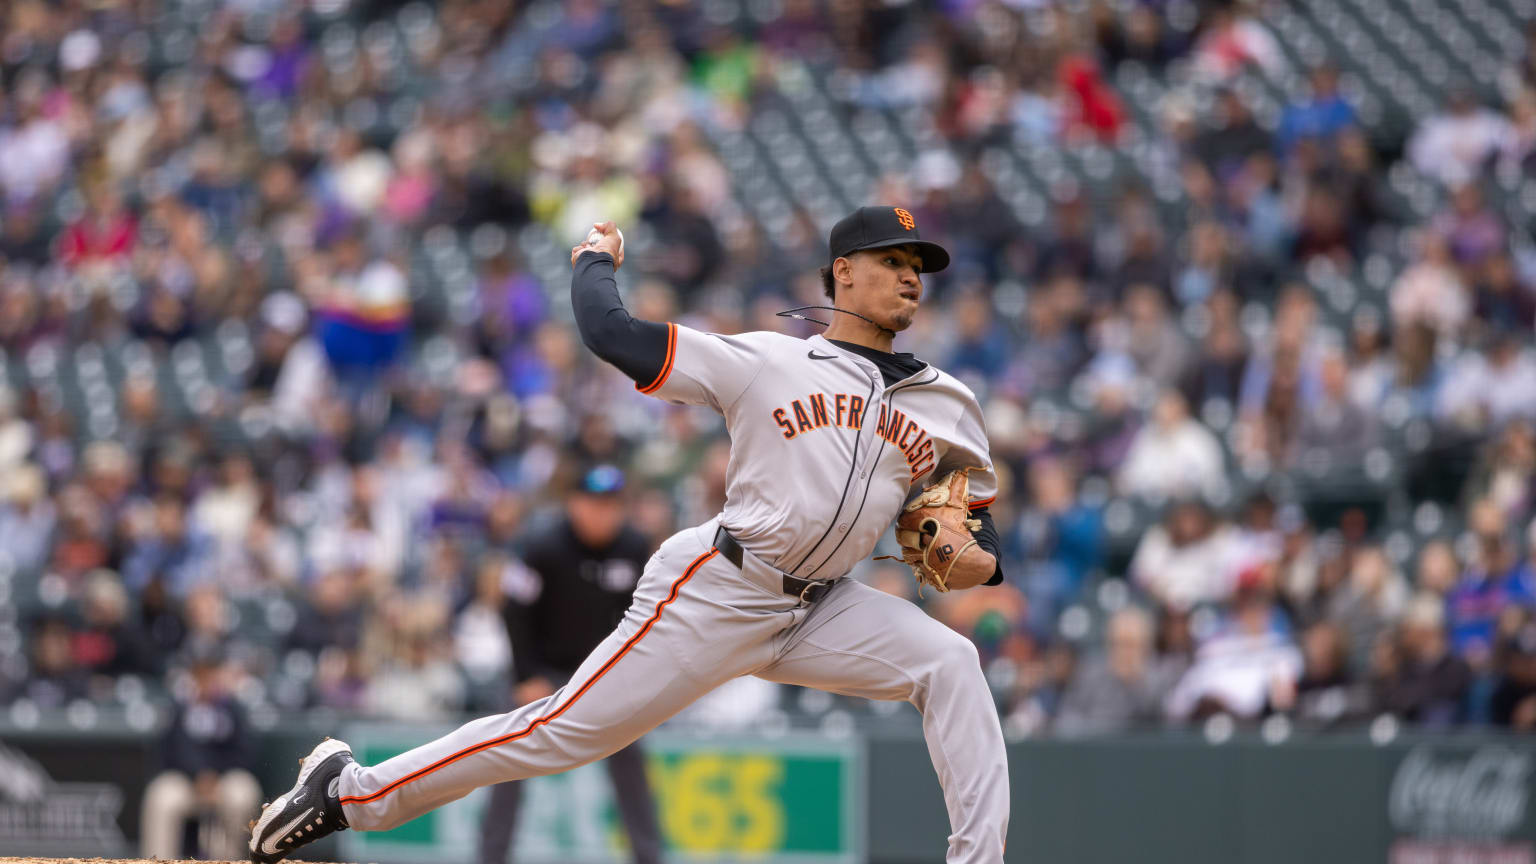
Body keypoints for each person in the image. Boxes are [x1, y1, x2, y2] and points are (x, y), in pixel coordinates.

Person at [251, 206, 1012, 864]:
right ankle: (350, 792)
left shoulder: (946, 402)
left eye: (919, 265)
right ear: (843, 271)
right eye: (893, 260)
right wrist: (593, 261)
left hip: (826, 607)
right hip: (722, 587)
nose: (912, 276)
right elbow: (609, 332)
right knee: (559, 733)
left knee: (951, 661)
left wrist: (970, 551)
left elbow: (971, 528)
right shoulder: (770, 361)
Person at [479, 463, 662, 864]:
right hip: (545, 674)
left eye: (611, 504)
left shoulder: (633, 547)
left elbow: (647, 614)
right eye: (593, 503)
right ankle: (490, 858)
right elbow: (514, 611)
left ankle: (650, 858)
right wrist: (526, 675)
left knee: (632, 765)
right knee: (503, 762)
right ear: (574, 504)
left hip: (604, 677)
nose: (602, 513)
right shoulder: (541, 545)